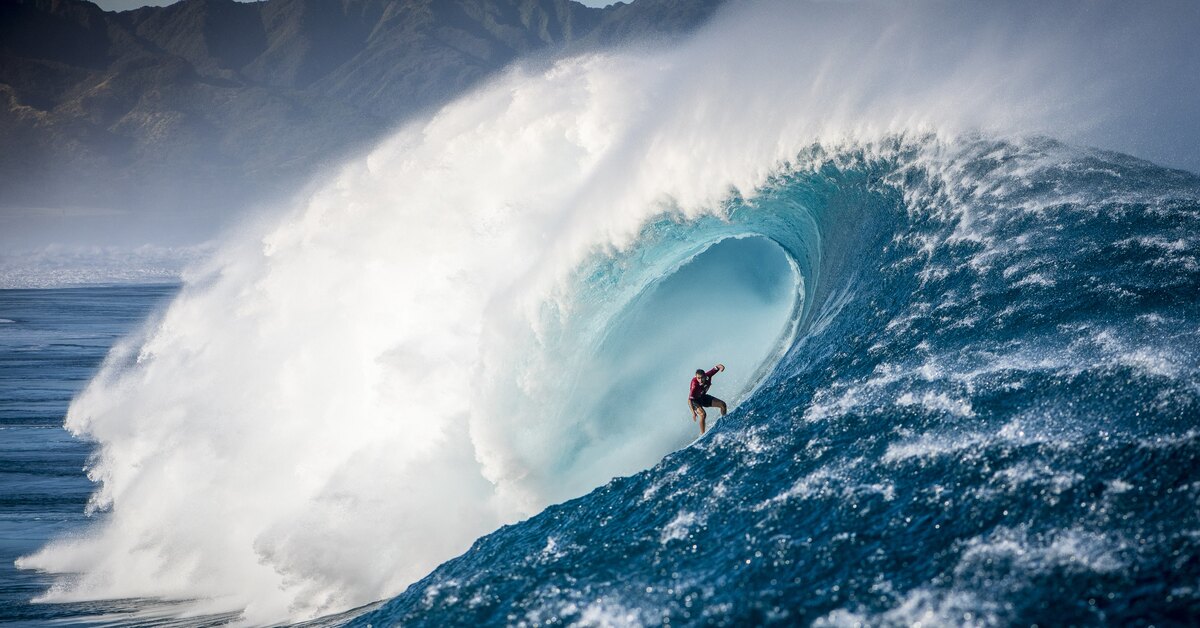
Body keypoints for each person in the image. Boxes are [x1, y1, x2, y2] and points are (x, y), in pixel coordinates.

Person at [688, 364, 727, 435]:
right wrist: (693, 412)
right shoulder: (695, 385)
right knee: (703, 414)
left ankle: (725, 421)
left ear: (705, 376)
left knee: (723, 405)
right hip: (694, 401)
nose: (700, 380)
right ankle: (702, 434)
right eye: (698, 378)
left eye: (701, 377)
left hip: (703, 397)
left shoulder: (708, 375)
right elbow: (689, 400)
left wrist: (722, 367)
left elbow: (718, 367)